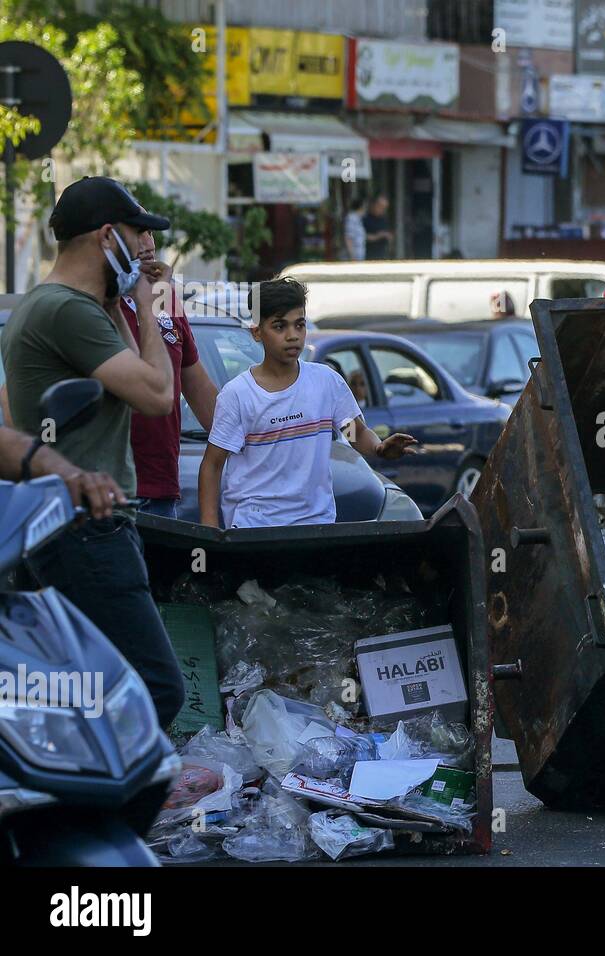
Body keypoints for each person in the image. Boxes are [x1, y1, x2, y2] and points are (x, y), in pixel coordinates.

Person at [1, 176, 184, 727]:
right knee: (155, 691)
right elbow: (156, 394)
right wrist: (148, 306)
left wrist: (121, 302)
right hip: (87, 527)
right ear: (108, 237)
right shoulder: (64, 311)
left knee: (80, 691)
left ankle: (68, 800)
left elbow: (132, 373)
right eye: (138, 234)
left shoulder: (60, 306)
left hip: (65, 525)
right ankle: (98, 805)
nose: (147, 248)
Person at [198, 277, 418, 529]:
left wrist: (379, 448)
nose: (292, 336)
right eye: (279, 326)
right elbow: (212, 465)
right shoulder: (238, 394)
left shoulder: (326, 382)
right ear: (256, 332)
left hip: (316, 526)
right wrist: (210, 531)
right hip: (254, 530)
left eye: (299, 325)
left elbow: (353, 431)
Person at [117, 230, 219, 519]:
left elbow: (196, 385)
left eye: (149, 233)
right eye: (137, 232)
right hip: (111, 492)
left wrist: (250, 440)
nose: (148, 244)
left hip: (162, 488)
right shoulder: (94, 305)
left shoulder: (167, 298)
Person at [363, 196, 394, 260]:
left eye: (384, 208)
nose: (382, 209)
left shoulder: (384, 220)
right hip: (367, 256)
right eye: (380, 206)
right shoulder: (364, 219)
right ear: (374, 204)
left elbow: (389, 235)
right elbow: (361, 237)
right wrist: (378, 236)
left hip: (382, 256)